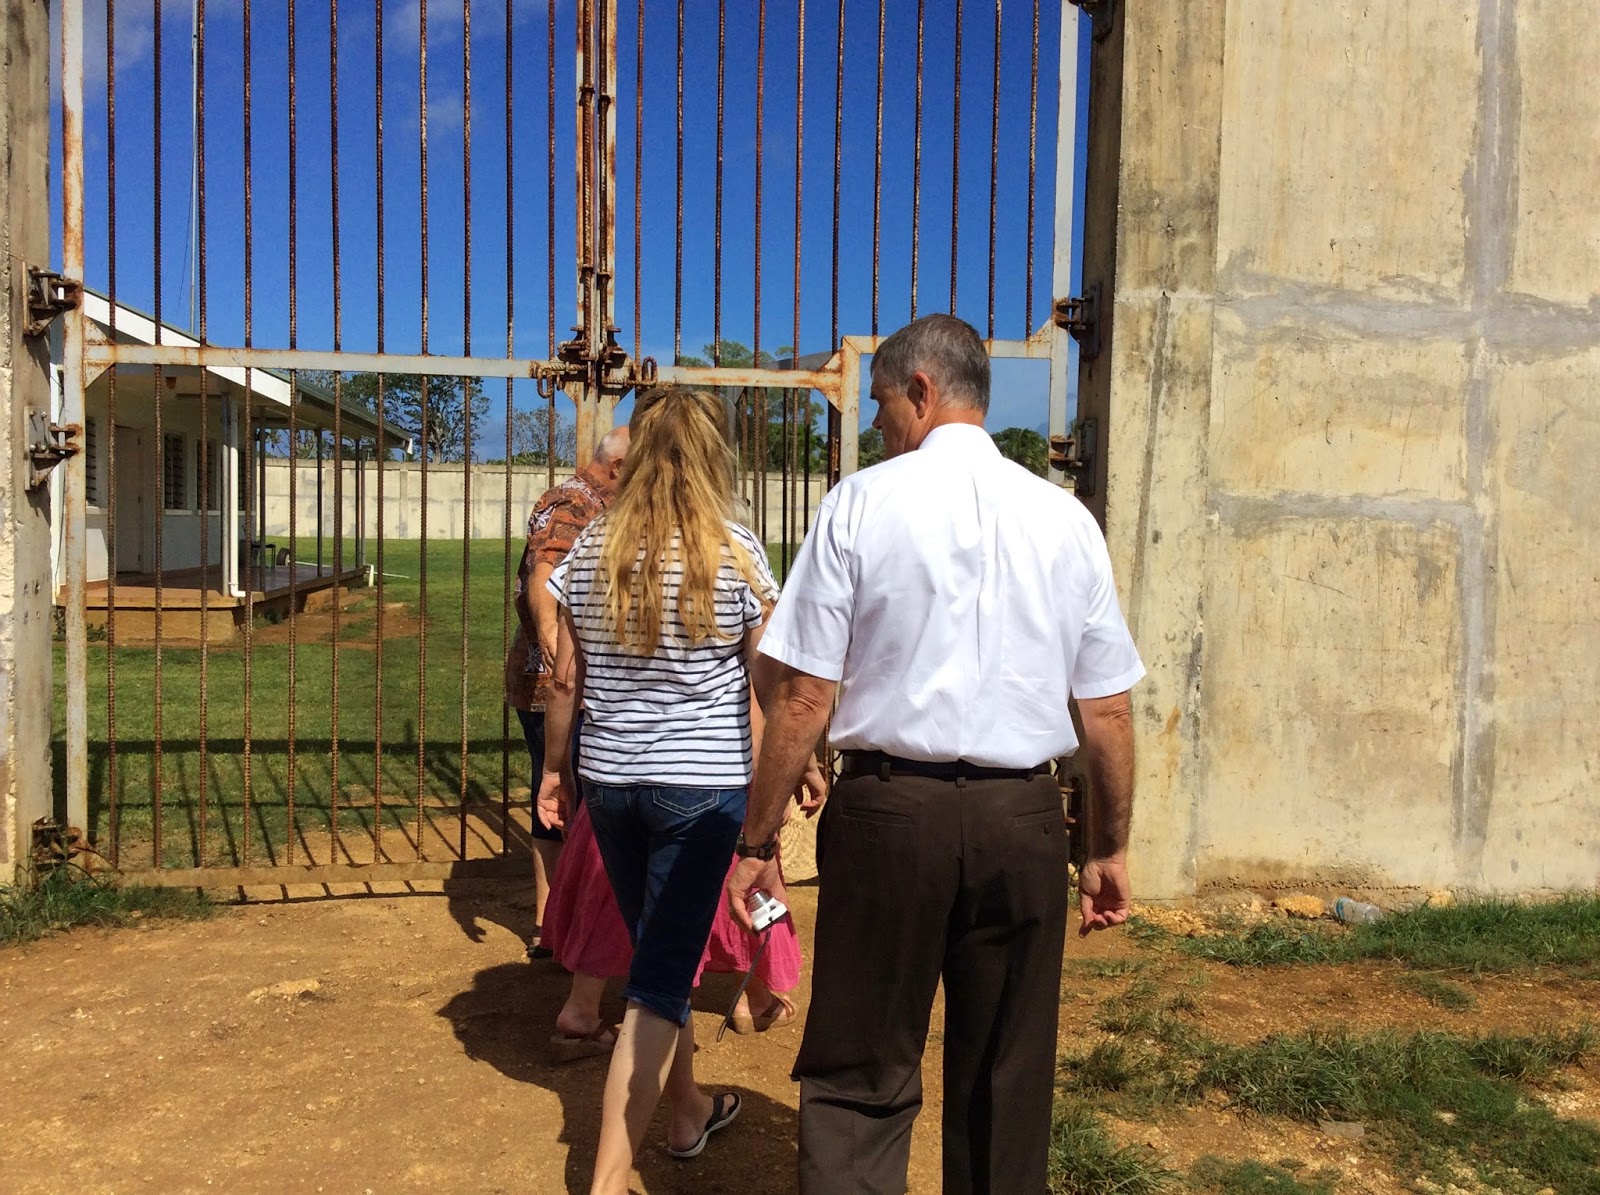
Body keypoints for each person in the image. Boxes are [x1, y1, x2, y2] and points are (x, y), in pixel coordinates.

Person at [728, 314, 1145, 1195]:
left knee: (859, 1067)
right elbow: (1106, 707)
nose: (880, 430)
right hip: (1023, 820)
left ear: (921, 390)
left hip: (889, 816)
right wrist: (1105, 846)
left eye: (881, 408)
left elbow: (804, 695)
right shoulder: (1067, 521)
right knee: (1007, 1073)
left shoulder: (861, 503)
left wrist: (757, 844)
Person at [537, 387, 823, 1191]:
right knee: (662, 979)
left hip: (614, 787)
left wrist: (556, 771)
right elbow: (772, 682)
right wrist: (803, 761)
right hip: (702, 793)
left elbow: (565, 678)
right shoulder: (733, 550)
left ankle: (689, 1104)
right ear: (709, 455)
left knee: (661, 958)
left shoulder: (589, 549)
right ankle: (609, 1174)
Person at [503, 424, 629, 961]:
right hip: (554, 685)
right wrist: (558, 652)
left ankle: (561, 920)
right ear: (619, 469)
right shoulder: (572, 504)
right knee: (560, 796)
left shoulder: (594, 504)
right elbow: (544, 574)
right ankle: (552, 920)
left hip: (565, 682)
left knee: (566, 792)